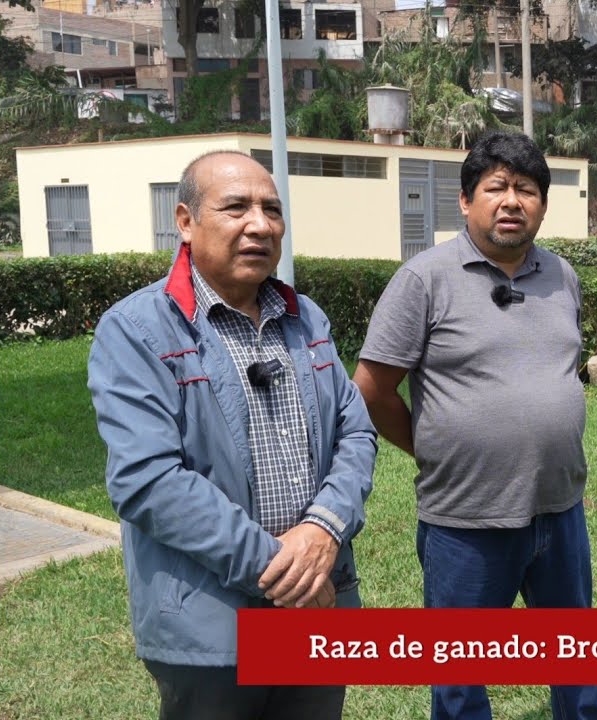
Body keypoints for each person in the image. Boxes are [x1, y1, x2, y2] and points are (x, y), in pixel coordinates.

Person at [88, 150, 377, 720]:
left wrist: (324, 529)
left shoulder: (305, 317)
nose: (261, 224)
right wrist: (282, 570)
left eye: (272, 209)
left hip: (322, 597)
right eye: (236, 207)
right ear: (186, 222)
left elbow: (355, 432)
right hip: (214, 625)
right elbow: (149, 481)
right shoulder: (138, 329)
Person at [353, 131, 597, 720]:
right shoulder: (424, 280)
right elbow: (372, 389)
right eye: (495, 187)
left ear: (543, 205)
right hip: (465, 520)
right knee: (460, 678)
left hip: (560, 511)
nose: (512, 201)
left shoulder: (562, 276)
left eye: (526, 189)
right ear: (466, 201)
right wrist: (430, 445)